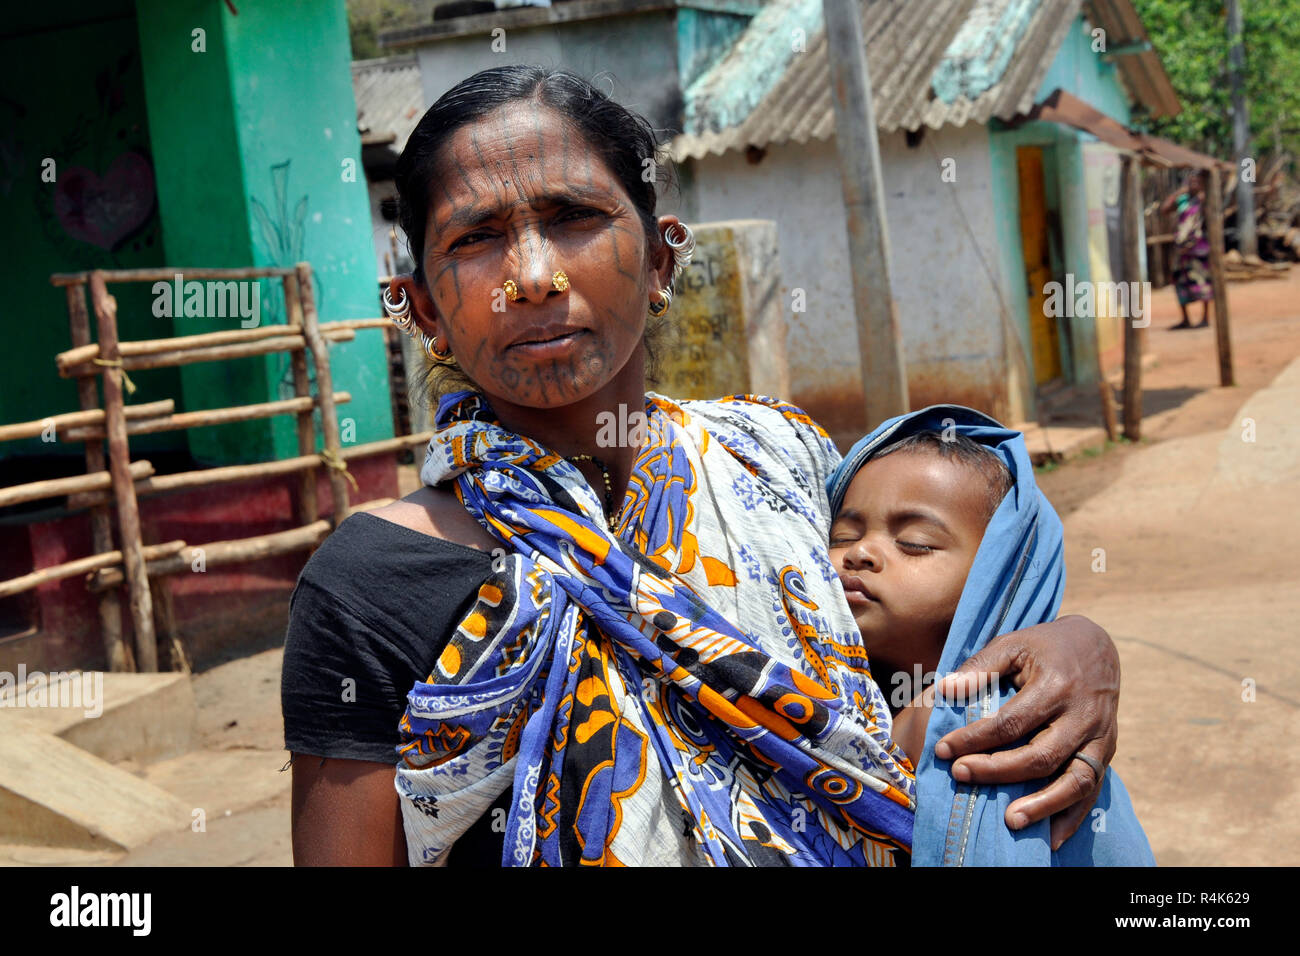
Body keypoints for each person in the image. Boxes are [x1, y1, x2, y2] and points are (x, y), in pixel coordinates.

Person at [283, 65, 1130, 866]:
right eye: (476, 237)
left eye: (575, 218)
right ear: (423, 307)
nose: (532, 278)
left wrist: (1077, 643)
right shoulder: (370, 584)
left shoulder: (777, 462)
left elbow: (923, 641)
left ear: (659, 259)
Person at [825, 405, 1155, 865]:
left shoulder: (986, 723)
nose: (860, 552)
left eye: (915, 542)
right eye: (841, 536)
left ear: (999, 578)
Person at [1161, 170, 1215, 330]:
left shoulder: (1203, 200)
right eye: (1191, 182)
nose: (1193, 185)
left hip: (1199, 248)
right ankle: (1186, 319)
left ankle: (1205, 318)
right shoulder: (1183, 200)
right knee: (1180, 282)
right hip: (1182, 249)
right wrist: (1178, 193)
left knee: (1202, 281)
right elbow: (1164, 209)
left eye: (1196, 182)